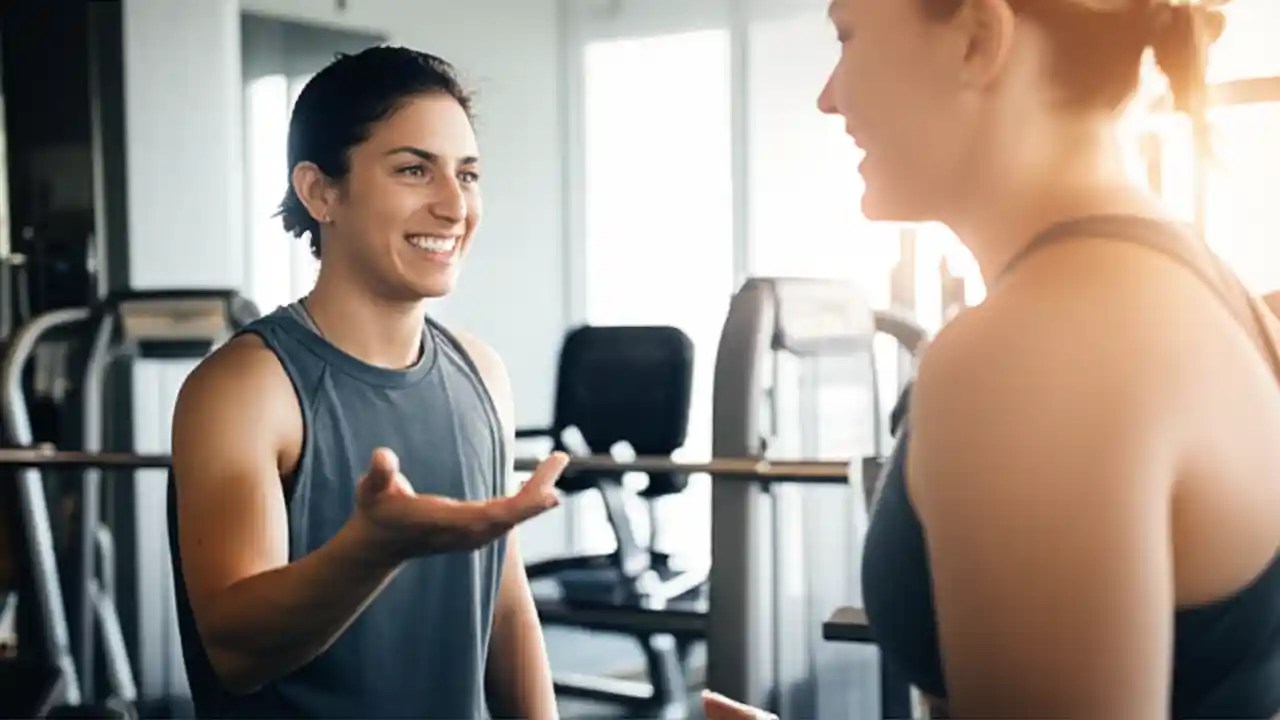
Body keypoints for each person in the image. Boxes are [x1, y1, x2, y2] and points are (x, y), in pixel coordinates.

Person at [707, 0, 1280, 718]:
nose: (828, 96)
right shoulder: (1203, 289)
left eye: (847, 36)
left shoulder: (1035, 354)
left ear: (978, 38)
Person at [167, 46, 568, 719]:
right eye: (415, 170)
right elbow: (236, 655)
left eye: (467, 175)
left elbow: (505, 605)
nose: (453, 206)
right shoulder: (243, 389)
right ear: (321, 191)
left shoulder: (482, 373)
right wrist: (371, 550)